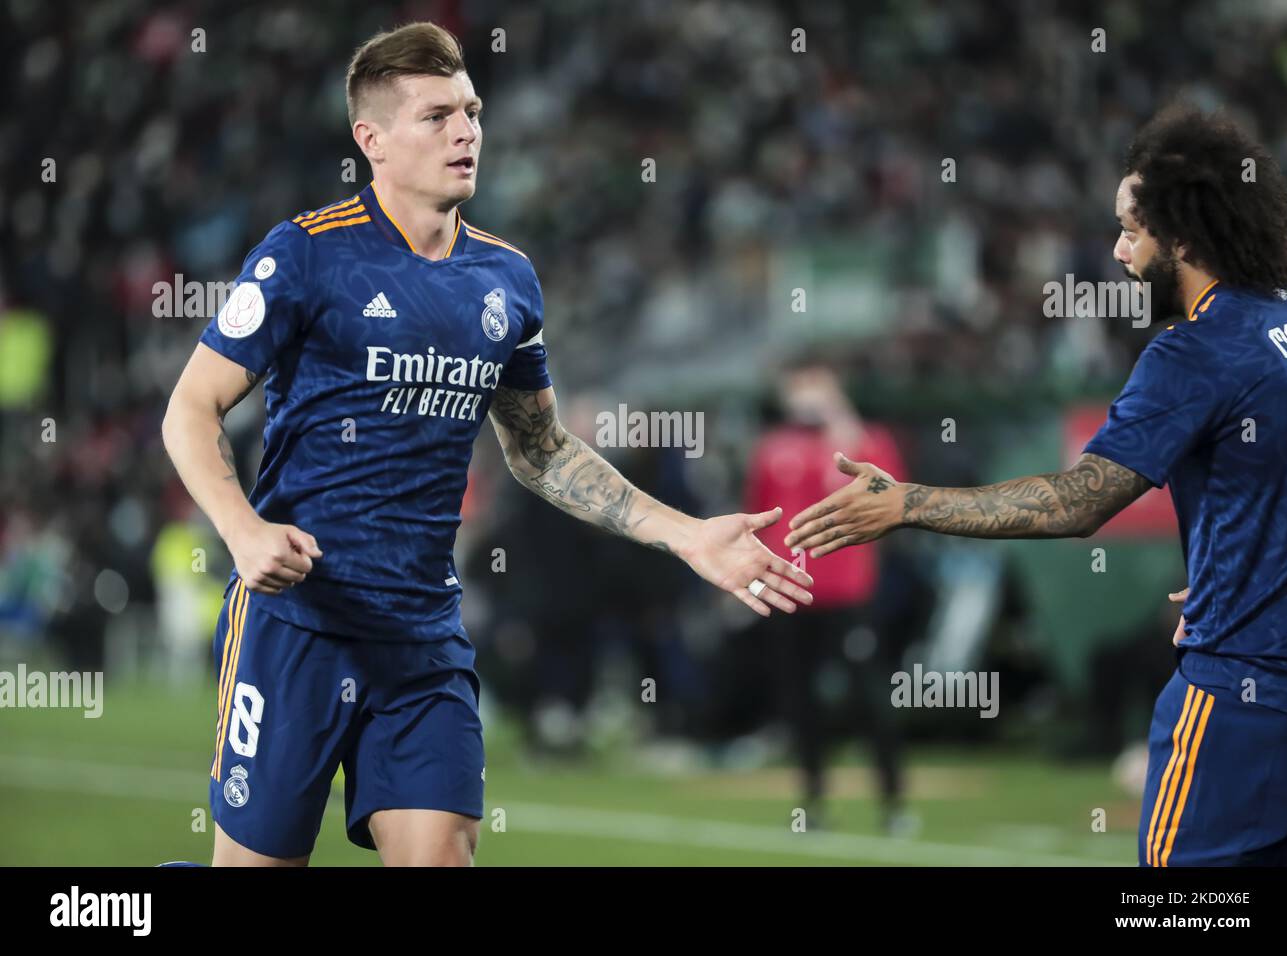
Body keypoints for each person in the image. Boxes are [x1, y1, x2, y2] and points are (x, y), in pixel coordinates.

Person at [161, 22, 813, 867]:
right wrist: (244, 531)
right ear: (373, 141)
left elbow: (539, 449)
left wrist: (689, 536)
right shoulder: (305, 255)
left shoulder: (507, 281)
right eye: (435, 116)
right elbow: (189, 410)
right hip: (298, 626)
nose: (466, 131)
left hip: (423, 637)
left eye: (471, 111)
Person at [786, 105, 1287, 866]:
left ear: (1184, 237)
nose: (1120, 252)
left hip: (1242, 698)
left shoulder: (1192, 352)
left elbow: (1077, 501)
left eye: (1132, 230)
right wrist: (1265, 569)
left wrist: (908, 503)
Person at [744, 363, 908, 831]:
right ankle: (811, 803)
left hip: (848, 594)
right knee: (799, 700)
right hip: (791, 594)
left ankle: (892, 803)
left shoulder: (860, 441)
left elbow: (890, 492)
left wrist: (841, 418)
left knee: (868, 696)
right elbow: (758, 517)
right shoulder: (774, 447)